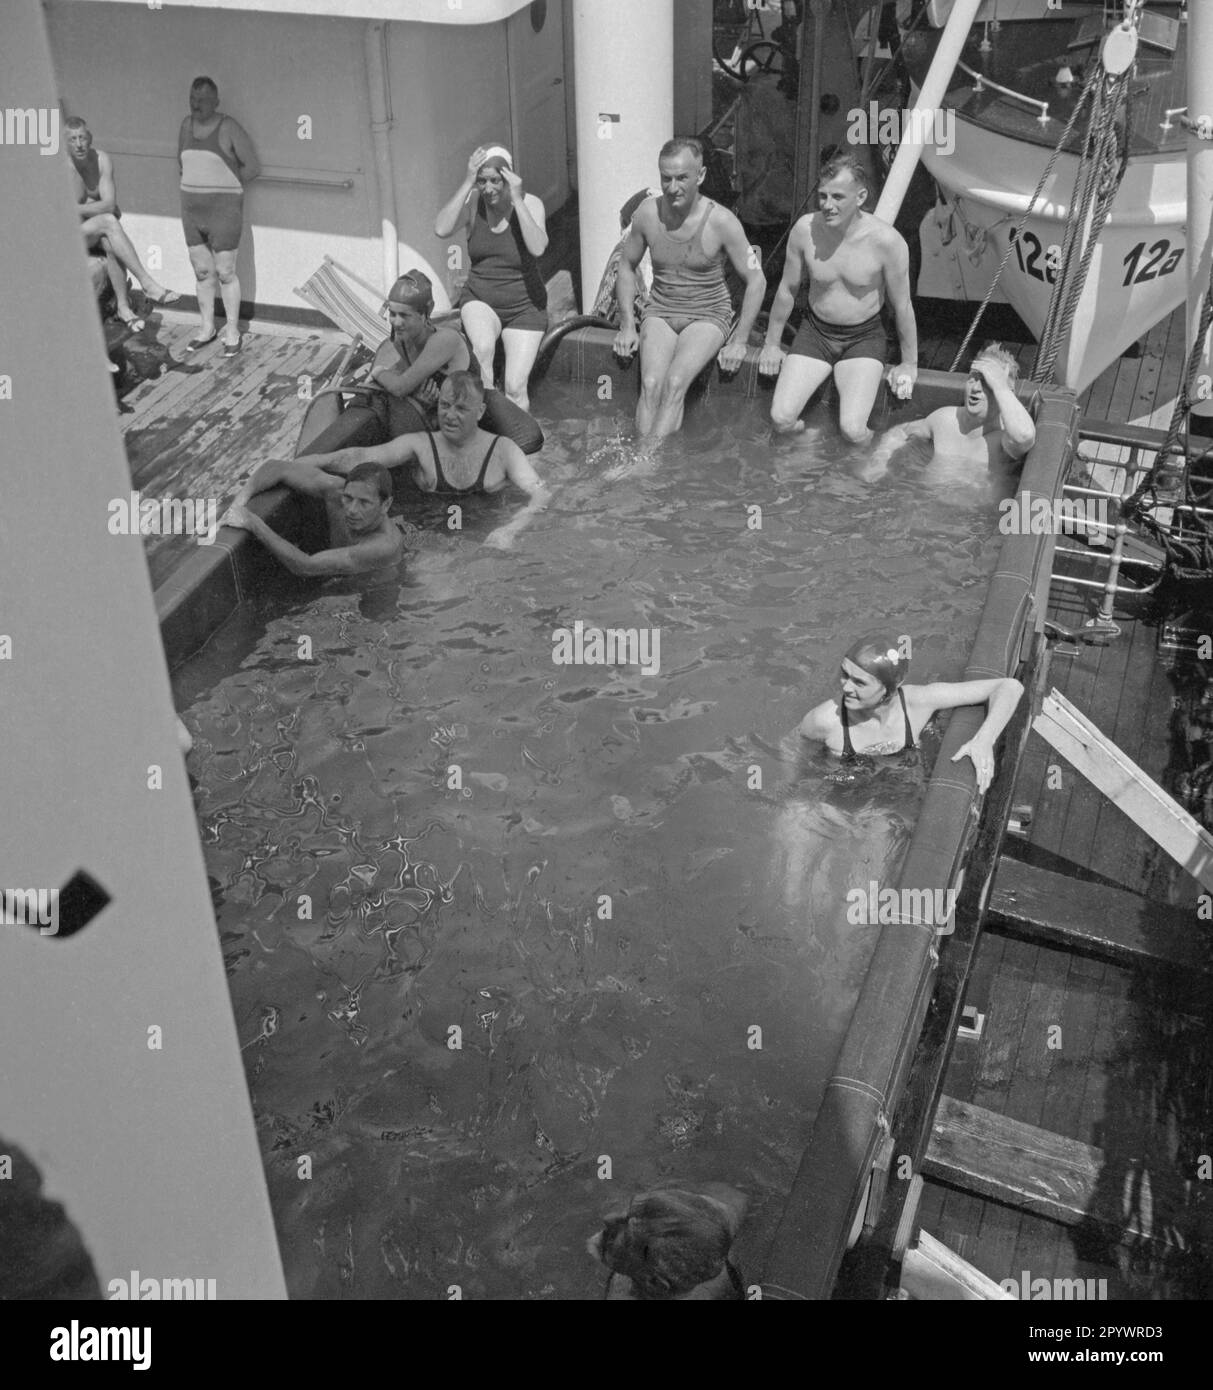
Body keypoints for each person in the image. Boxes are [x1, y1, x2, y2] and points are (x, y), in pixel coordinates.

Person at [234, 372, 549, 550]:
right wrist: (313, 459)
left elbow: (542, 495)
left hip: (485, 538)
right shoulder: (420, 445)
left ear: (480, 412)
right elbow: (361, 457)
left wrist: (512, 528)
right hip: (428, 540)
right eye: (445, 406)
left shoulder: (503, 450)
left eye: (461, 409)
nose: (450, 415)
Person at [760, 152, 918, 444]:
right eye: (822, 196)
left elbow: (902, 305)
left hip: (863, 337)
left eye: (837, 197)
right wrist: (771, 344)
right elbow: (787, 290)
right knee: (781, 420)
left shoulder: (887, 242)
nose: (827, 205)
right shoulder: (805, 231)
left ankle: (887, 446)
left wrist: (909, 363)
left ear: (860, 197)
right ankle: (808, 441)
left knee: (853, 431)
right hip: (815, 333)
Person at [614, 137, 765, 438]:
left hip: (708, 315)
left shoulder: (722, 221)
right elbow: (626, 265)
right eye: (666, 178)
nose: (673, 188)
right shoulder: (647, 213)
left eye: (682, 178)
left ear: (701, 175)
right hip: (661, 310)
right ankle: (651, 461)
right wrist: (627, 325)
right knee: (651, 385)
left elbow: (756, 280)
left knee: (674, 384)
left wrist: (740, 340)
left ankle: (646, 465)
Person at [798, 632, 1023, 794]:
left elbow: (1010, 687)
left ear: (891, 688)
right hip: (839, 791)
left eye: (859, 682)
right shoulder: (825, 720)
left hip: (896, 789)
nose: (846, 687)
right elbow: (791, 756)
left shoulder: (919, 703)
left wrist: (983, 740)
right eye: (845, 675)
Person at [366, 270, 543, 454]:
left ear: (426, 311)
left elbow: (400, 387)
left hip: (519, 437)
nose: (396, 322)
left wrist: (378, 372)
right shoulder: (399, 344)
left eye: (405, 315)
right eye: (392, 314)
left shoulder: (445, 340)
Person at [434, 145, 548, 411]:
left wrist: (517, 200)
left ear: (508, 178)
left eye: (495, 180)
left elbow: (538, 248)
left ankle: (519, 447)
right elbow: (441, 229)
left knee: (515, 387)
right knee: (483, 349)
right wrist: (466, 182)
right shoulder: (474, 202)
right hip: (480, 299)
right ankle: (486, 433)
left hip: (525, 307)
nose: (488, 189)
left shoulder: (531, 204)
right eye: (482, 181)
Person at [66, 117, 180, 324]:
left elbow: (109, 204)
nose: (79, 144)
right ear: (64, 143)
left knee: (110, 240)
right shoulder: (61, 170)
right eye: (72, 139)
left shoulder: (101, 160)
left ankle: (123, 308)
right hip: (67, 236)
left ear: (90, 138)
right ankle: (146, 283)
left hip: (90, 232)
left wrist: (77, 208)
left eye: (82, 137)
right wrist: (92, 210)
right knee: (108, 221)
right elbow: (66, 215)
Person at [178, 76, 259, 356]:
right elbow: (182, 162)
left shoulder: (228, 127)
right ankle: (206, 328)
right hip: (191, 211)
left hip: (223, 213)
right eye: (192, 98)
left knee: (225, 272)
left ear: (216, 102)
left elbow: (251, 167)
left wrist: (225, 189)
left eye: (202, 100)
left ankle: (233, 330)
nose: (195, 104)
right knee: (202, 272)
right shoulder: (186, 126)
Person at [225, 460, 404, 580]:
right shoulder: (336, 491)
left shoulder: (384, 546)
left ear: (386, 505)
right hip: (332, 573)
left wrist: (252, 522)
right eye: (348, 498)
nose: (352, 509)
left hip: (371, 595)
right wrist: (239, 501)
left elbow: (305, 566)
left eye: (364, 503)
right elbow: (278, 467)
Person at [894, 344, 1036, 467]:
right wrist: (880, 461)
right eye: (973, 378)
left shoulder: (1003, 441)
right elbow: (900, 432)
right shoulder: (945, 419)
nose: (975, 388)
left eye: (987, 382)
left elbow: (1024, 436)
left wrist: (1000, 386)